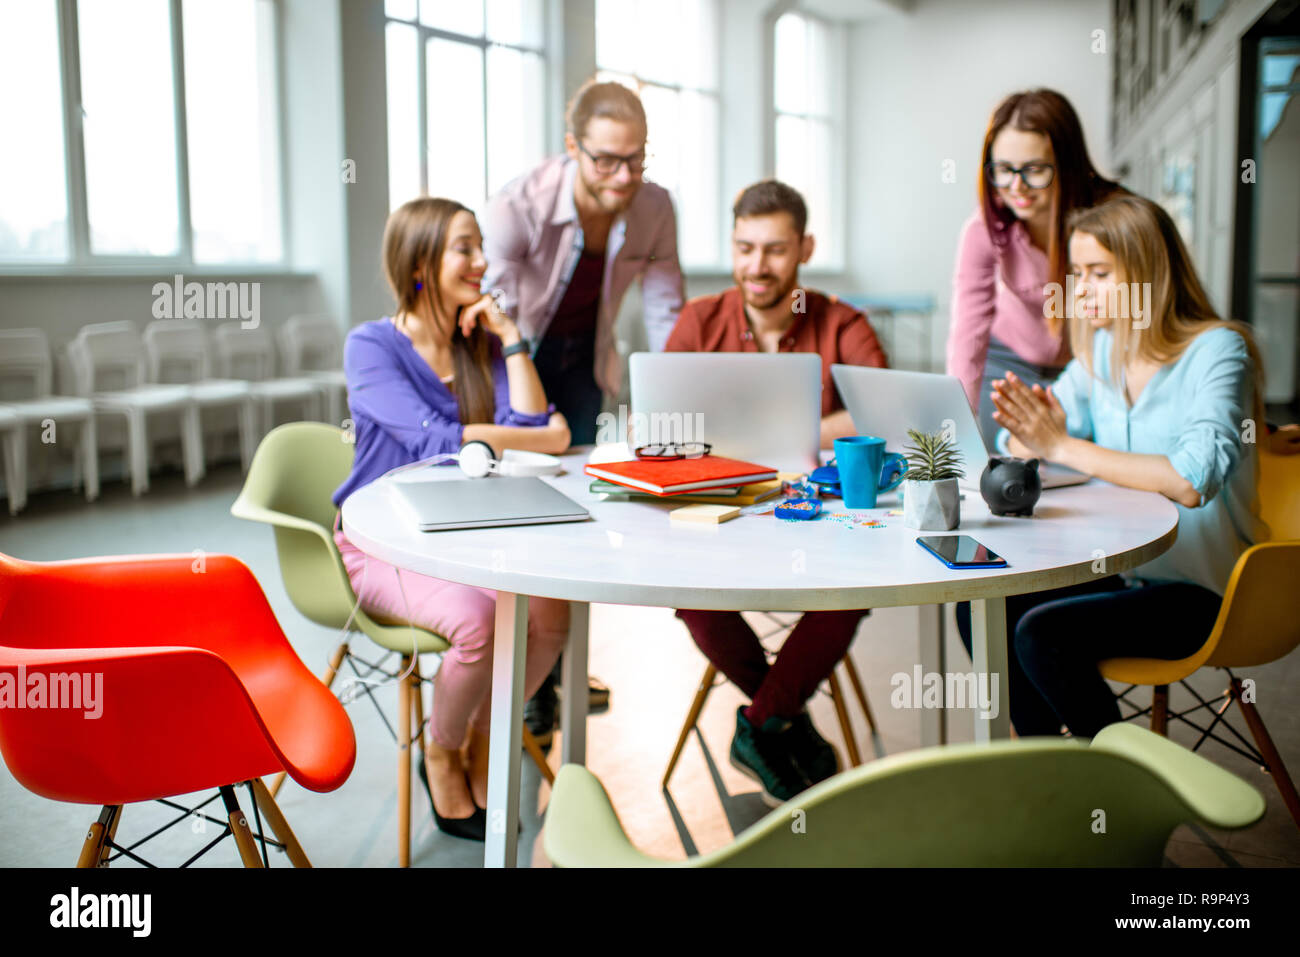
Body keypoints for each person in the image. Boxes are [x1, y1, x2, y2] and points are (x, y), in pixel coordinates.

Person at [959, 194, 1267, 737]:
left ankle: (1112, 781)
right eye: (1077, 273)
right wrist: (1032, 429)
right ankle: (1046, 765)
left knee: (1041, 633)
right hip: (1125, 573)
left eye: (1099, 273)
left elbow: (1191, 480)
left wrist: (1059, 445)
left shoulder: (1219, 351)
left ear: (1149, 274)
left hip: (1208, 595)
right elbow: (1027, 437)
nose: (1080, 290)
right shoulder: (1104, 352)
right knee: (980, 606)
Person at [332, 197, 572, 841]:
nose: (481, 261)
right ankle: (441, 751)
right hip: (381, 544)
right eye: (463, 248)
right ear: (420, 262)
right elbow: (433, 442)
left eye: (479, 247)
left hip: (471, 532)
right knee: (480, 620)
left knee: (551, 614)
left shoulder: (480, 344)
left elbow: (525, 421)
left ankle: (480, 738)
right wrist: (538, 440)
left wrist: (513, 338)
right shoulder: (371, 346)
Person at [665, 180, 889, 805]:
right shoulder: (699, 320)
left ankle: (759, 727)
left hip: (815, 524)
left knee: (846, 597)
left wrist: (783, 435)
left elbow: (881, 414)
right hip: (720, 511)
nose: (756, 266)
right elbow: (660, 420)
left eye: (774, 250)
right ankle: (783, 721)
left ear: (805, 248)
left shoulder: (843, 323)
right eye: (744, 247)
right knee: (693, 596)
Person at [484, 78, 684, 740]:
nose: (624, 176)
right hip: (516, 362)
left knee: (579, 513)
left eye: (637, 158)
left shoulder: (654, 208)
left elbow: (664, 308)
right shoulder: (518, 207)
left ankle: (561, 666)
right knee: (518, 515)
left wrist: (674, 395)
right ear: (573, 147)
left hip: (585, 364)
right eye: (606, 160)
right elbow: (493, 316)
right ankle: (523, 675)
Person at [947, 89, 1123, 447]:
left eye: (1035, 170)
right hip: (1009, 361)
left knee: (1089, 459)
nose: (1017, 187)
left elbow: (1140, 318)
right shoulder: (984, 229)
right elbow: (968, 334)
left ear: (1069, 164)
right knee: (1003, 455)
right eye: (1003, 170)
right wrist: (955, 428)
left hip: (1092, 365)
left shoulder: (1118, 219)